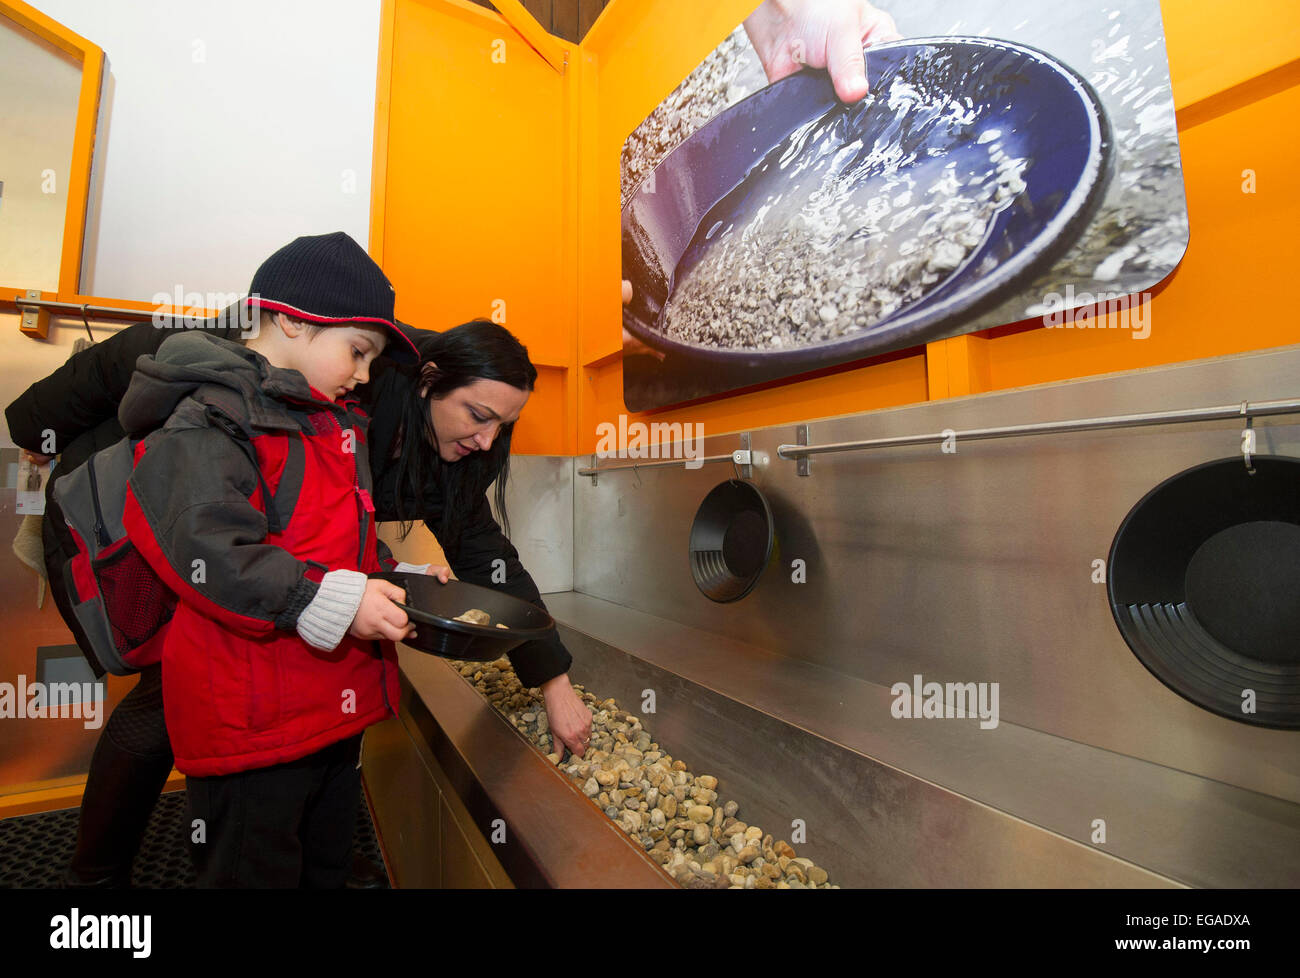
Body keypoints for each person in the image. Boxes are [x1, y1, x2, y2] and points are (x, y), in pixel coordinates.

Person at [5, 232, 593, 887]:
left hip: (268, 573)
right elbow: (140, 354)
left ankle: (314, 852)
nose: (487, 440)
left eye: (501, 429)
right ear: (427, 381)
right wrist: (38, 429)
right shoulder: (319, 355)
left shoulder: (427, 434)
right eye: (478, 416)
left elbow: (489, 560)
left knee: (299, 724)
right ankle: (97, 875)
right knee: (169, 697)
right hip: (138, 512)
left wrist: (554, 681)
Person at [117, 231, 424, 886]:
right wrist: (332, 601)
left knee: (325, 862)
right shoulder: (208, 417)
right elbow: (209, 550)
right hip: (253, 724)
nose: (365, 374)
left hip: (329, 710)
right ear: (289, 318)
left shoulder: (329, 422)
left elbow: (336, 539)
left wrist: (396, 582)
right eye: (358, 351)